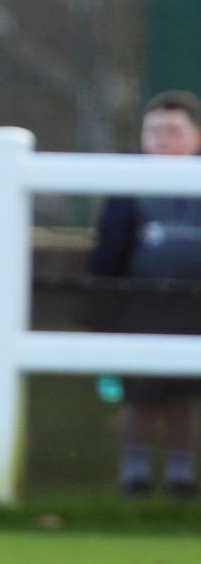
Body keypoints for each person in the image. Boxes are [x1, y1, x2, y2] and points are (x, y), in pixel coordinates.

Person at [89, 89, 201, 497]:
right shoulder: (127, 189)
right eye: (153, 131)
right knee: (140, 394)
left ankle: (181, 476)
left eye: (172, 131)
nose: (161, 139)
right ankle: (134, 475)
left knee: (183, 397)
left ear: (195, 138)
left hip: (192, 311)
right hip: (140, 308)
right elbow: (109, 253)